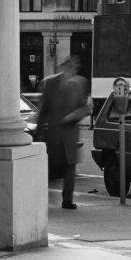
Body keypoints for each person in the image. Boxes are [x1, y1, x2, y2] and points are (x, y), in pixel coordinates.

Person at [36, 54, 90, 210]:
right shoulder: (50, 83)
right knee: (49, 168)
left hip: (70, 133)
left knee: (70, 167)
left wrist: (73, 115)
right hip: (53, 133)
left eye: (75, 67)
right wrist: (40, 132)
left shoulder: (80, 83)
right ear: (64, 66)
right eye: (70, 66)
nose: (73, 69)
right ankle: (41, 198)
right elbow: (44, 109)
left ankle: (67, 200)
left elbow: (85, 108)